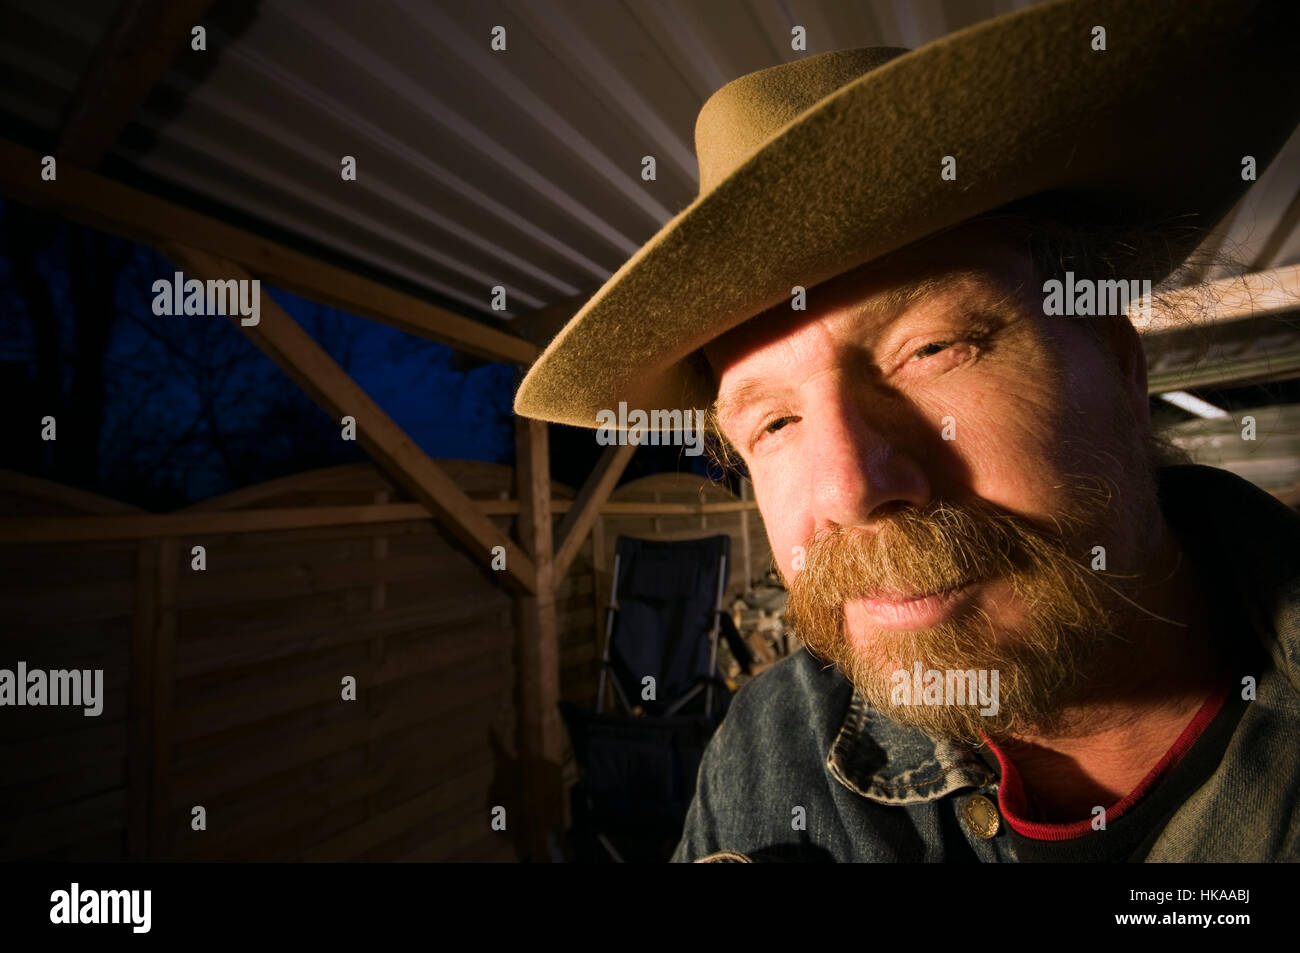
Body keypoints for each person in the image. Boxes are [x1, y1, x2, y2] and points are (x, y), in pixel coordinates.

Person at [513, 0, 1300, 860]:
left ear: (1115, 357)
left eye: (932, 348)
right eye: (773, 420)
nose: (850, 487)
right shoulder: (771, 746)